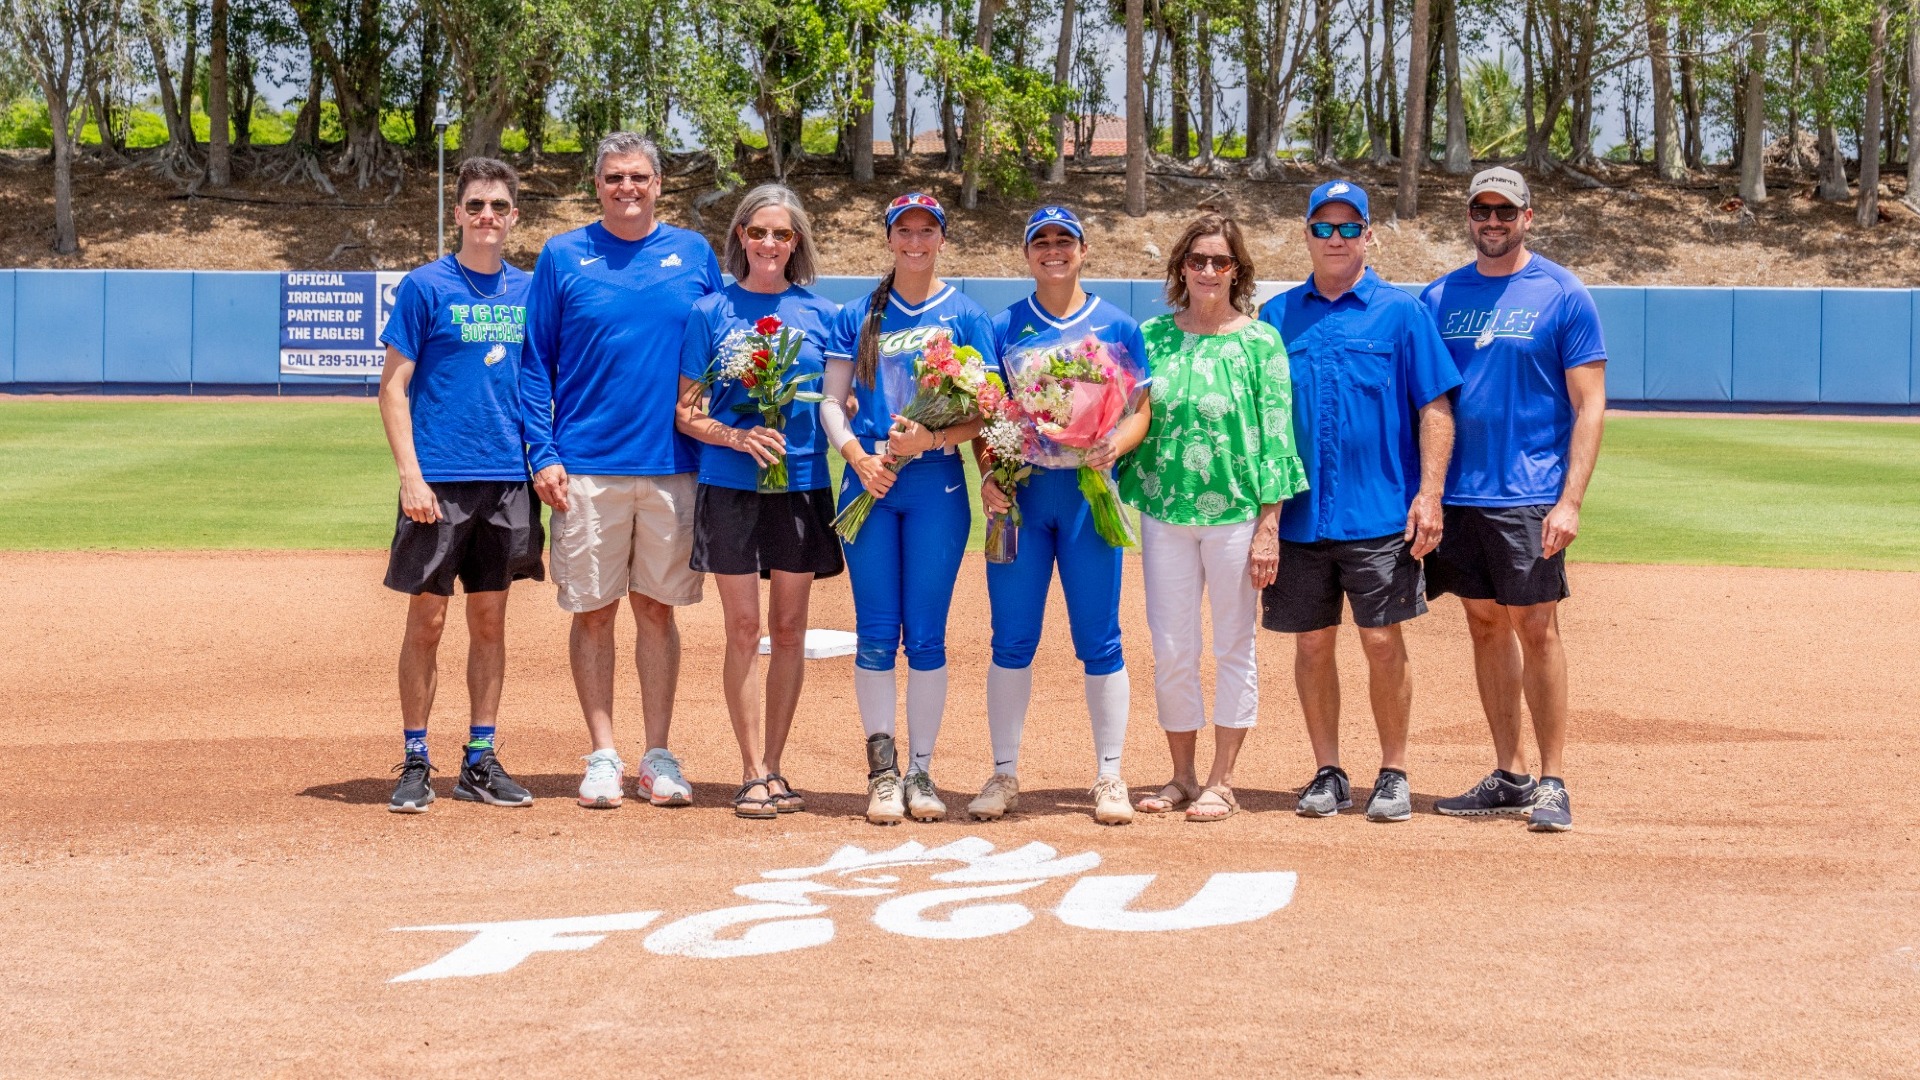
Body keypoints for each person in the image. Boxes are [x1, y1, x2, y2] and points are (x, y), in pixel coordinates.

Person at [519, 132, 724, 810]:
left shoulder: (693, 253)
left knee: (657, 611)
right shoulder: (562, 255)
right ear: (597, 185)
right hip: (587, 466)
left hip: (674, 464)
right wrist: (544, 452)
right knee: (594, 612)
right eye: (613, 177)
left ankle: (657, 755)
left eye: (638, 176)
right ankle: (603, 754)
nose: (626, 188)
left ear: (658, 184)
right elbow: (534, 363)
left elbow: (722, 352)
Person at [1259, 180, 1461, 823]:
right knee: (1312, 646)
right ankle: (1328, 770)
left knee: (1380, 641)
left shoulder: (1402, 313)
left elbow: (1435, 408)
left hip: (1379, 514)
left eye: (1350, 227)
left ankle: (1394, 771)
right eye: (1324, 227)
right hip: (1298, 514)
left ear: (1369, 235)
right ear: (1307, 235)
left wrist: (1430, 494)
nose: (1337, 238)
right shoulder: (1275, 317)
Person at [1421, 167, 1607, 833]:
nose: (1493, 222)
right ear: (1469, 216)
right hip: (1460, 494)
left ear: (1528, 216)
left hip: (1529, 493)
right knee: (1483, 623)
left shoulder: (1563, 293)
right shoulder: (1439, 296)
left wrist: (1570, 501)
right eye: (1482, 210)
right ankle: (1510, 773)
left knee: (1536, 625)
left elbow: (1590, 406)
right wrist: (1427, 492)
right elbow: (1427, 399)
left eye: (1506, 211)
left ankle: (1553, 781)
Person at [1119, 213, 1308, 823]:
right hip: (1164, 510)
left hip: (1236, 514)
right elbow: (1129, 414)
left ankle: (1222, 780)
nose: (1207, 270)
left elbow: (1277, 437)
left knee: (1233, 643)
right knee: (1173, 646)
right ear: (1181, 268)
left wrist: (1269, 527)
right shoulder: (1151, 336)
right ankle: (1181, 775)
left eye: (1219, 261)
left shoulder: (1260, 342)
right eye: (1196, 260)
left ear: (1236, 271)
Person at [973, 205, 1152, 826]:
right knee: (1011, 637)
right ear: (1027, 253)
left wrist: (1113, 445)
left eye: (1064, 240)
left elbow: (1139, 410)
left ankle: (1109, 775)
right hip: (1022, 496)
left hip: (1086, 495)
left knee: (1100, 637)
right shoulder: (1003, 326)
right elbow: (987, 414)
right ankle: (1003, 773)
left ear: (1083, 250)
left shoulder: (1118, 325)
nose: (1054, 250)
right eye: (1041, 241)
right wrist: (989, 473)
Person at [821, 193, 994, 826]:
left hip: (935, 486)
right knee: (874, 632)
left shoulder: (967, 315)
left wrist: (934, 437)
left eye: (927, 230)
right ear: (889, 238)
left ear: (942, 239)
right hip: (869, 481)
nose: (915, 241)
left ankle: (921, 770)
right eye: (904, 230)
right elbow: (832, 402)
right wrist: (856, 457)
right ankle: (882, 773)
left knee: (925, 635)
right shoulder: (858, 312)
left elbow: (985, 411)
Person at [377, 156, 541, 814]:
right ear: (458, 213)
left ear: (514, 217)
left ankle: (480, 758)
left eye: (498, 206)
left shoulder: (529, 291)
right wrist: (410, 476)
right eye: (475, 205)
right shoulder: (426, 287)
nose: (486, 216)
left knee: (490, 621)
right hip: (439, 481)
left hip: (507, 481)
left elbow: (546, 383)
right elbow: (393, 388)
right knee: (428, 620)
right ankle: (417, 756)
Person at [676, 184, 845, 820]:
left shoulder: (823, 313)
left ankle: (775, 765)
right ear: (740, 237)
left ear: (796, 242)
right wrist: (737, 436)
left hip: (801, 485)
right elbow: (687, 411)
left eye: (781, 233)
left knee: (790, 630)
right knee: (744, 628)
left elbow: (840, 402)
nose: (769, 243)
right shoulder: (712, 312)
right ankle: (749, 771)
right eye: (757, 232)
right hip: (730, 484)